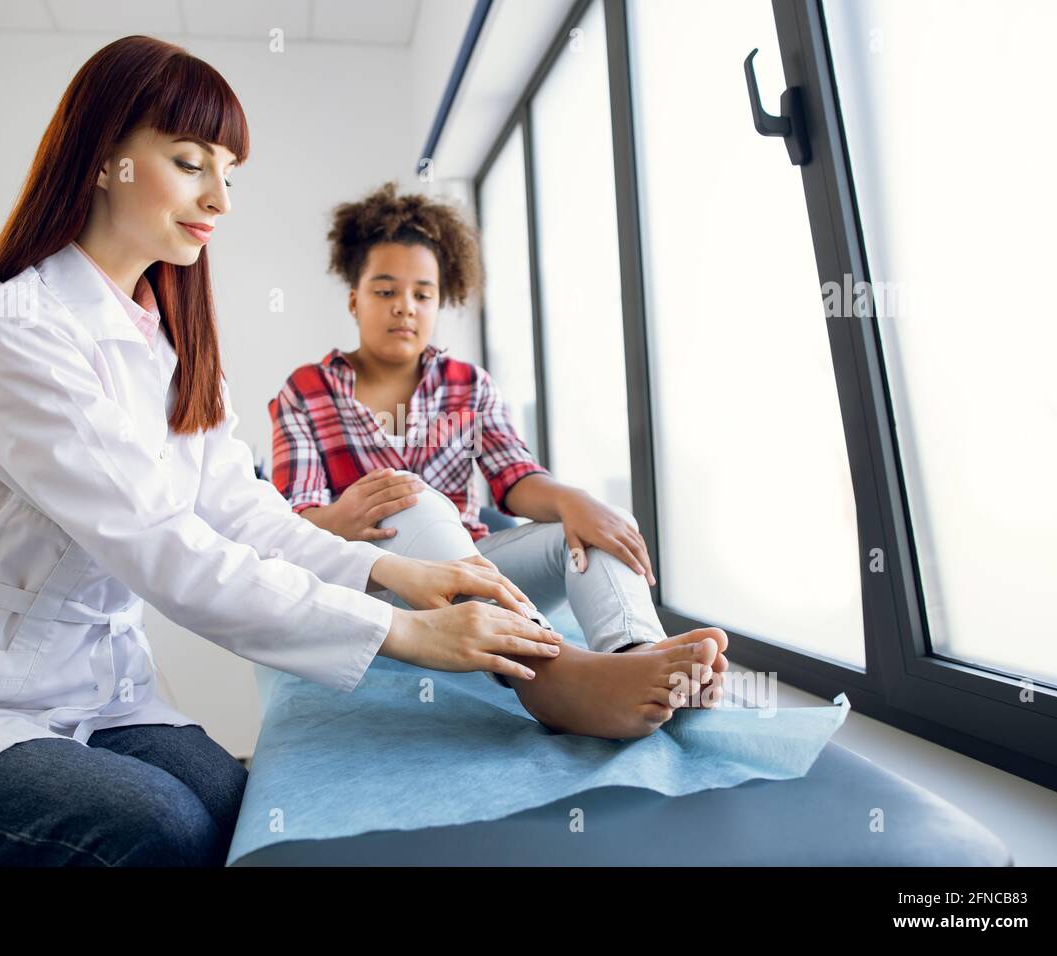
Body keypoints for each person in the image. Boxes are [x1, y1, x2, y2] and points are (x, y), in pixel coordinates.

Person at [0, 37, 562, 869]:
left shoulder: (169, 340)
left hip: (91, 691)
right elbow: (163, 549)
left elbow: (236, 510)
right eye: (190, 162)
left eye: (229, 171)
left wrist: (395, 574)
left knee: (240, 812)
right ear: (100, 157)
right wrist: (408, 634)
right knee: (160, 829)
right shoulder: (16, 332)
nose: (219, 197)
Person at [269, 182, 730, 741]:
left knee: (587, 531)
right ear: (354, 300)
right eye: (385, 290)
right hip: (385, 584)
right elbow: (288, 525)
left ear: (441, 302)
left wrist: (577, 503)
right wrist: (341, 519)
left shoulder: (468, 384)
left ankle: (633, 655)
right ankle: (548, 672)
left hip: (474, 567)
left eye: (422, 294)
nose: (404, 307)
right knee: (413, 497)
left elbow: (515, 480)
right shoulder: (307, 389)